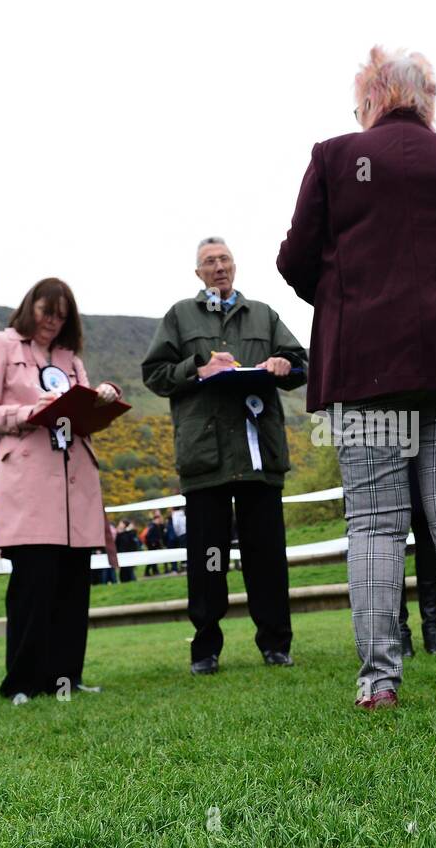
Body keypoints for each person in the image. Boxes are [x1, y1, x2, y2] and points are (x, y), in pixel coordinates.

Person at [276, 47, 436, 710]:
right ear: (425, 100)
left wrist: (347, 295)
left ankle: (379, 681)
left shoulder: (334, 159)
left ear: (371, 100)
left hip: (366, 364)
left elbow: (295, 259)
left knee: (376, 525)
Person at [142, 237, 308, 675]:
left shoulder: (263, 314)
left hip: (259, 456)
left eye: (225, 260)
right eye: (209, 262)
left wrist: (282, 365)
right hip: (205, 457)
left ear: (235, 267)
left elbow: (300, 362)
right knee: (207, 558)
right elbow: (154, 375)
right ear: (197, 273)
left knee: (267, 556)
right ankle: (206, 649)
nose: (218, 267)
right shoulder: (180, 315)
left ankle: (276, 644)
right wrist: (197, 369)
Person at [0, 277, 121, 704]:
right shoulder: (2, 345)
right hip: (29, 483)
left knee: (73, 585)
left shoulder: (69, 357)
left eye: (60, 316)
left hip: (76, 485)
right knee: (33, 585)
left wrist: (102, 399)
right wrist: (29, 412)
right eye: (45, 312)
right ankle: (21, 682)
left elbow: (82, 409)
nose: (52, 323)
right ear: (30, 307)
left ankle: (66, 678)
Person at [397, 459, 436, 657]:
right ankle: (399, 633)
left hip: (422, 445)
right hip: (381, 443)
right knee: (387, 536)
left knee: (428, 530)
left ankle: (434, 629)